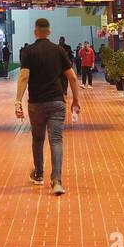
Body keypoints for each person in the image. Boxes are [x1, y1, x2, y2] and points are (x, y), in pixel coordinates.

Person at [15, 18, 80, 196]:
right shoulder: (58, 51)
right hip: (57, 102)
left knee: (37, 139)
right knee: (56, 140)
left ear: (36, 32)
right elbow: (72, 78)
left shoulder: (28, 52)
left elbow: (23, 77)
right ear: (49, 32)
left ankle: (39, 174)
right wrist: (76, 100)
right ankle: (57, 180)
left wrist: (17, 101)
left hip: (35, 103)